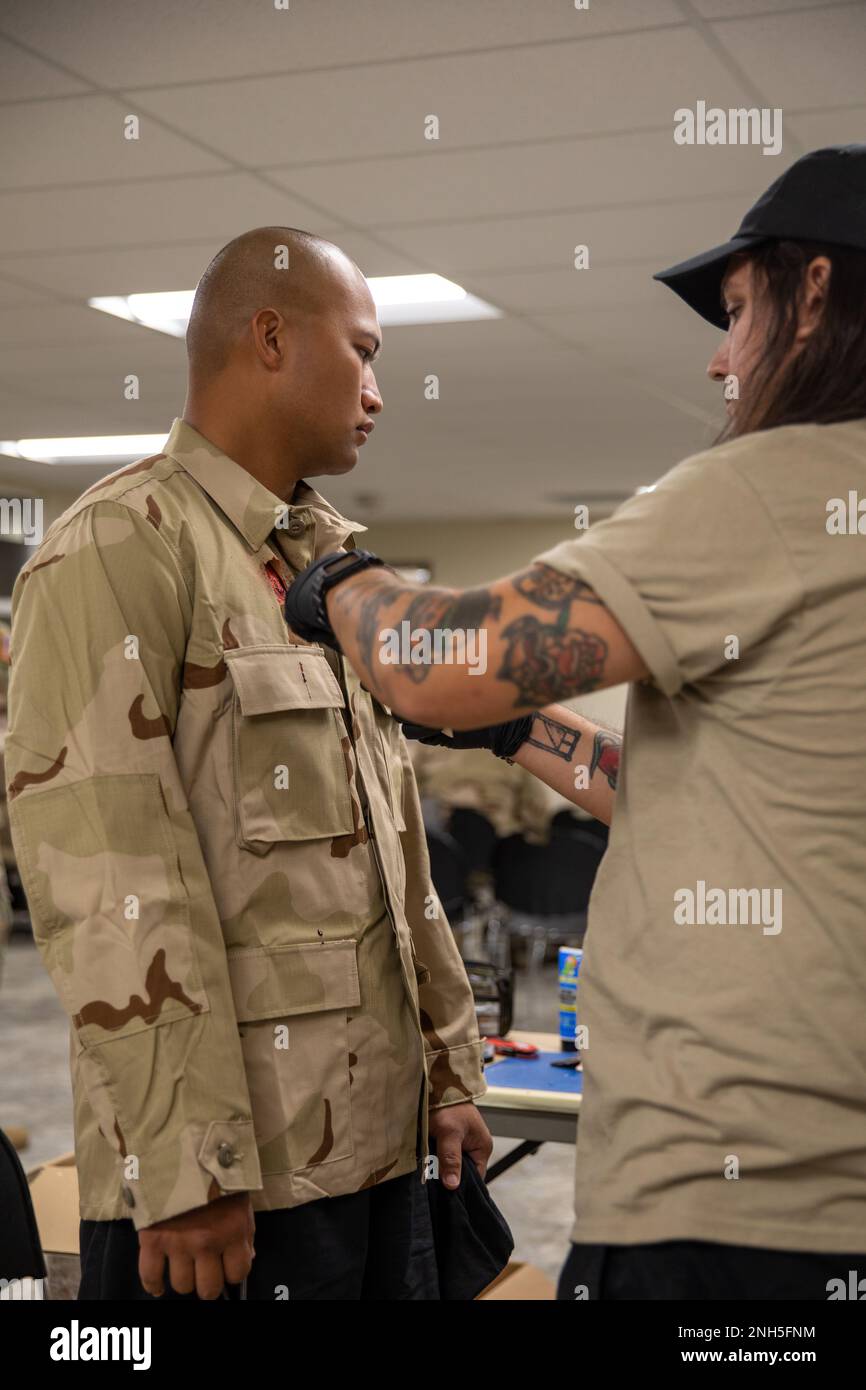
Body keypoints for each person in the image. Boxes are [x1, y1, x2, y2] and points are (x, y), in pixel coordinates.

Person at [285, 145, 866, 1300]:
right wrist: (518, 734)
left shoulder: (778, 484)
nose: (717, 355)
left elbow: (436, 663)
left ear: (813, 294)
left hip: (738, 1210)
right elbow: (698, 790)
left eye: (738, 310)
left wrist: (331, 576)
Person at [5, 228, 491, 1302]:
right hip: (236, 1178)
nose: (375, 388)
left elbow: (392, 853)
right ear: (270, 337)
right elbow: (110, 882)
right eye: (361, 351)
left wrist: (447, 1070)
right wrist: (189, 1163)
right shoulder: (119, 548)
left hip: (375, 1143)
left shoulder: (328, 572)